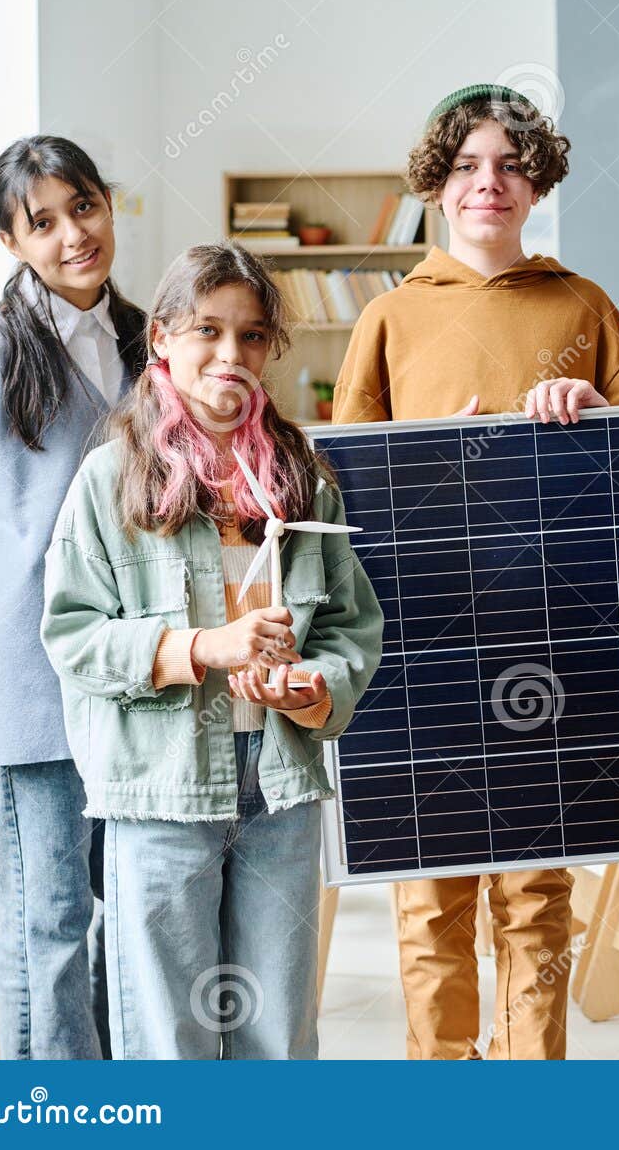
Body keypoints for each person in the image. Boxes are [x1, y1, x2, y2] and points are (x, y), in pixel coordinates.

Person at [332, 84, 619, 1060]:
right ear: (436, 181)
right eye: (468, 165)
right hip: (423, 637)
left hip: (549, 635)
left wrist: (594, 413)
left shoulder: (584, 304)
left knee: (535, 888)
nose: (489, 183)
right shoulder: (387, 317)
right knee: (429, 890)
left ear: (537, 180)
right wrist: (429, 460)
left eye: (510, 164)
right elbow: (341, 486)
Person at [41, 242, 383, 1058]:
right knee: (169, 1032)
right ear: (160, 336)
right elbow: (72, 635)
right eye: (207, 330)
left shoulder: (301, 475)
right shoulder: (110, 477)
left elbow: (348, 624)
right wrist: (202, 647)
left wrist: (313, 689)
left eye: (254, 336)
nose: (232, 355)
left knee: (278, 1026)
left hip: (279, 788)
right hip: (159, 794)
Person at [0, 135, 146, 1059]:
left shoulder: (141, 337)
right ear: (10, 240)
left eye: (83, 207)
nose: (71, 235)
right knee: (48, 909)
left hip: (125, 667)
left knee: (108, 899)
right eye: (41, 223)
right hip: (27, 670)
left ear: (108, 204)